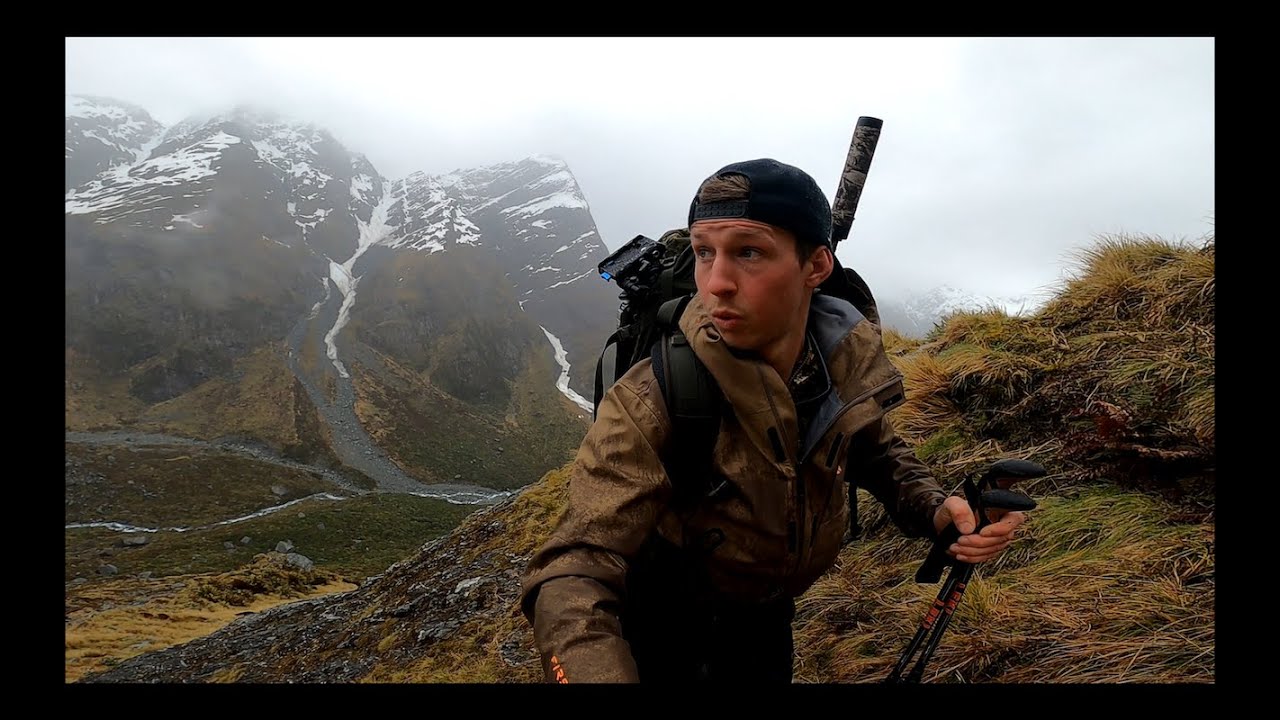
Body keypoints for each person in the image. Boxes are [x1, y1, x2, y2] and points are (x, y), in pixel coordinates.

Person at [519, 158, 1026, 684]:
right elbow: (573, 566)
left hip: (766, 617)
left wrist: (938, 510)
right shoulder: (655, 395)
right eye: (703, 253)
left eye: (749, 252)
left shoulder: (839, 364)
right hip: (663, 626)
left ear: (816, 266)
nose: (716, 283)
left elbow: (871, 450)